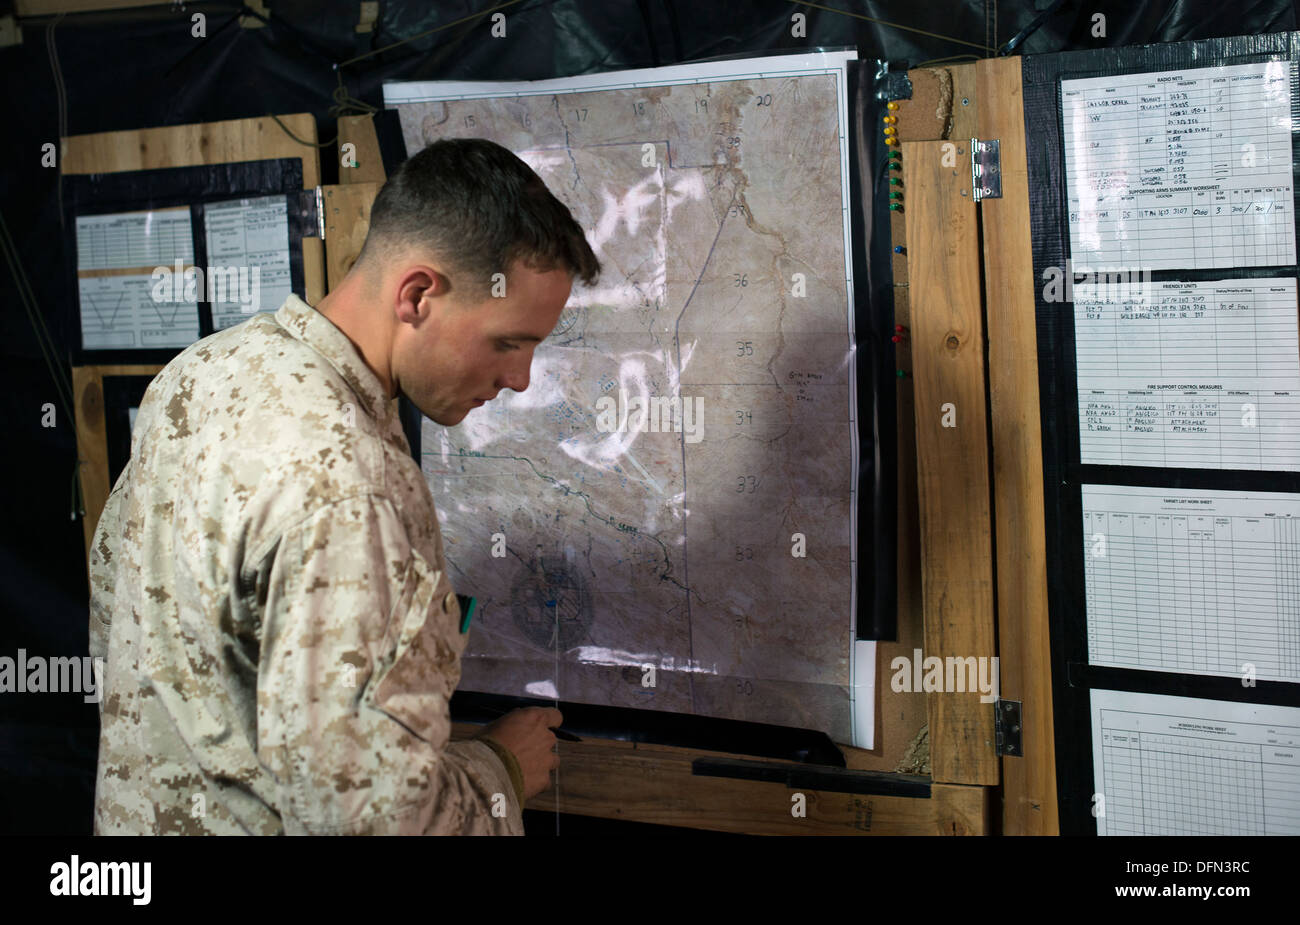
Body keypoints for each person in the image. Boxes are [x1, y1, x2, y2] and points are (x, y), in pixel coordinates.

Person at [88, 137, 602, 834]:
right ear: (417, 294)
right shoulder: (355, 482)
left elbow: (120, 618)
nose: (520, 379)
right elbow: (372, 823)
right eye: (509, 342)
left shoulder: (199, 374)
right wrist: (498, 772)